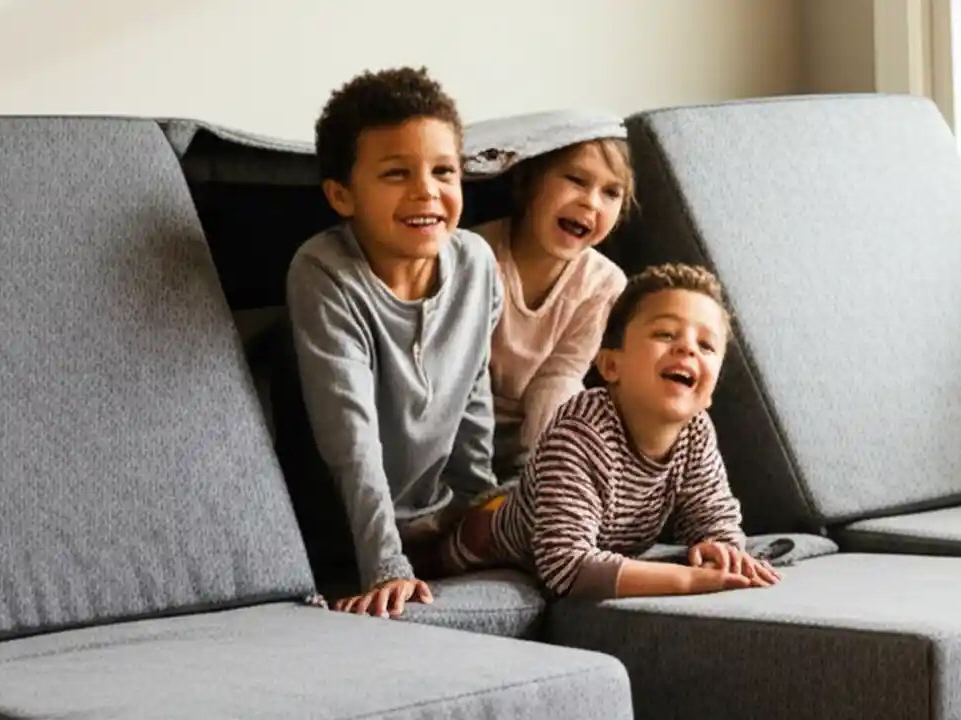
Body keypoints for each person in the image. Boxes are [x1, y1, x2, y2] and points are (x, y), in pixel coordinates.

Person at [286, 67, 502, 617]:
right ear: (341, 195)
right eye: (396, 173)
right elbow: (349, 439)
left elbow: (475, 397)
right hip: (342, 534)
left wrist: (484, 509)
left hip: (439, 518)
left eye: (444, 171)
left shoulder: (476, 262)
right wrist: (385, 564)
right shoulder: (324, 271)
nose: (426, 190)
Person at [444, 264, 781, 598]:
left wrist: (720, 547)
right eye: (665, 334)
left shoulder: (695, 432)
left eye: (706, 345)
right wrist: (689, 580)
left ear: (709, 392)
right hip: (486, 539)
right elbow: (565, 567)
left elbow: (713, 513)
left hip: (598, 534)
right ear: (610, 365)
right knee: (438, 550)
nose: (687, 348)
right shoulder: (581, 433)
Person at [472, 135, 631, 481]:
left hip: (532, 434)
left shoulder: (604, 284)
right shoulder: (475, 256)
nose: (591, 202)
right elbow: (461, 376)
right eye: (576, 180)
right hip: (459, 430)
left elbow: (559, 377)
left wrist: (538, 475)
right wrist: (475, 473)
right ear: (527, 182)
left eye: (611, 192)